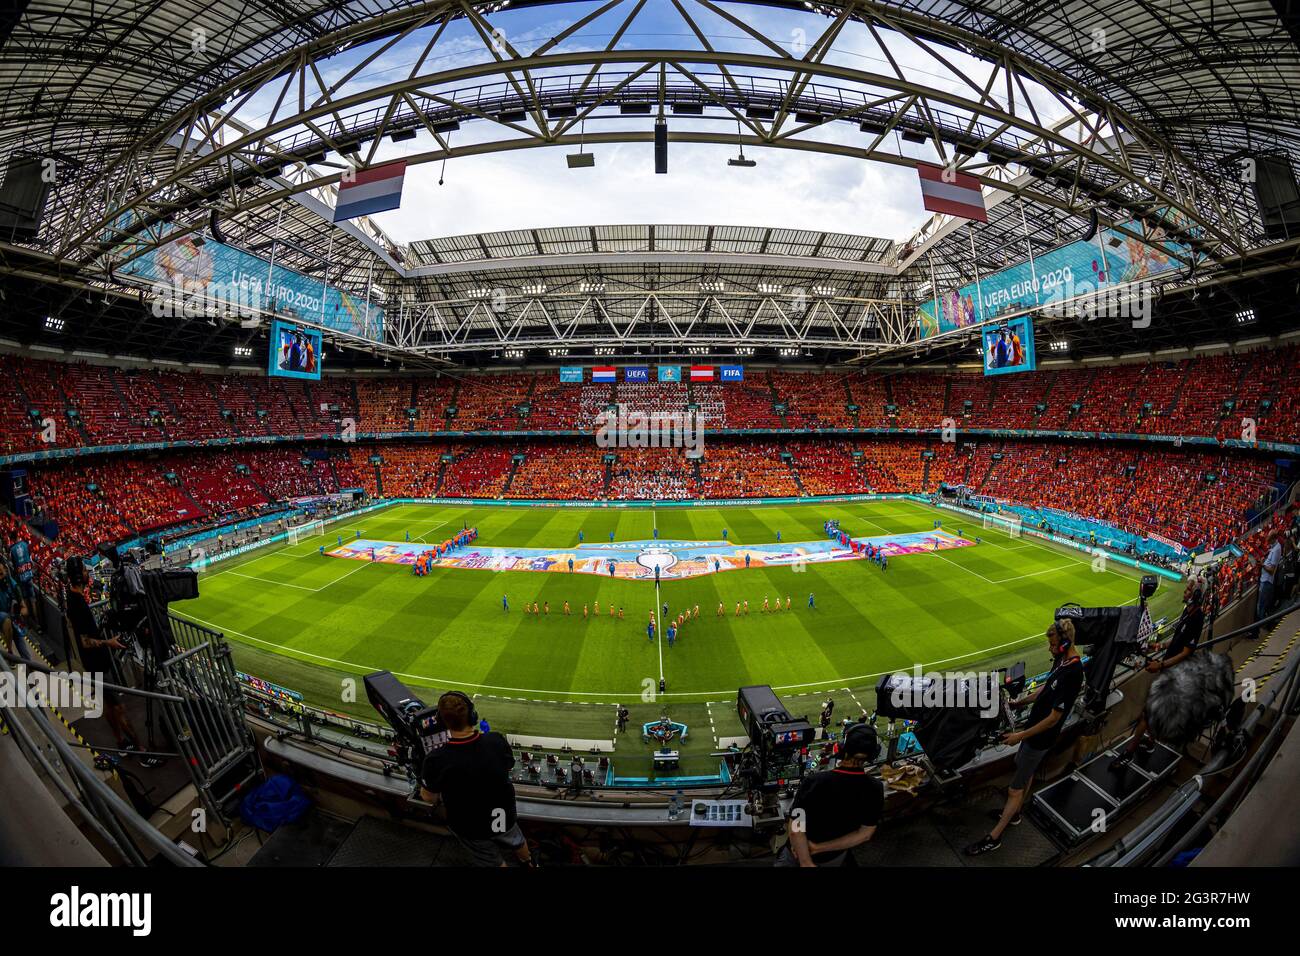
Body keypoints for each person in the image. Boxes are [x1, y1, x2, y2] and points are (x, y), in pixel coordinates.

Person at [965, 620, 1084, 856]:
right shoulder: (1063, 662)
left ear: (1065, 643)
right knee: (1025, 773)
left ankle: (994, 837)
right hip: (1033, 734)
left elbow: (1053, 718)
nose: (1049, 648)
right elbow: (1046, 688)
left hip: (1038, 739)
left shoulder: (1073, 672)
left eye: (1052, 644)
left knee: (1014, 789)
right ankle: (1016, 813)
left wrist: (1019, 736)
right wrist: (1021, 701)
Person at [63, 557, 159, 766]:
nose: (89, 575)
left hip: (93, 663)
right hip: (97, 662)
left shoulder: (73, 598)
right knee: (118, 707)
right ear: (79, 576)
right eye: (85, 572)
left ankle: (121, 743)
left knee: (107, 704)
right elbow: (85, 642)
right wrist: (109, 642)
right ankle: (142, 752)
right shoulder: (77, 603)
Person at [420, 692, 534, 867]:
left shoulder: (436, 759)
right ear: (473, 716)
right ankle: (529, 863)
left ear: (442, 723)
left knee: (491, 860)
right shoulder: (495, 740)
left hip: (469, 823)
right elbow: (508, 766)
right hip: (500, 814)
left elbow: (429, 797)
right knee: (516, 841)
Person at [1112, 586, 1206, 767]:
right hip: (1168, 669)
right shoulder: (1187, 611)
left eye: (1187, 592)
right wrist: (1160, 647)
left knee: (1148, 714)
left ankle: (1129, 753)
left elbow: (1187, 651)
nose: (1184, 593)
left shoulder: (1197, 618)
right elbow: (1179, 638)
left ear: (1195, 598)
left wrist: (1161, 664)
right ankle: (1150, 742)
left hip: (1175, 674)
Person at [775, 722, 883, 866]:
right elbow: (865, 834)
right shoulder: (875, 787)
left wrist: (806, 862)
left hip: (798, 856)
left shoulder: (815, 782)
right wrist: (819, 848)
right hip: (834, 858)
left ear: (842, 747)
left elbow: (796, 828)